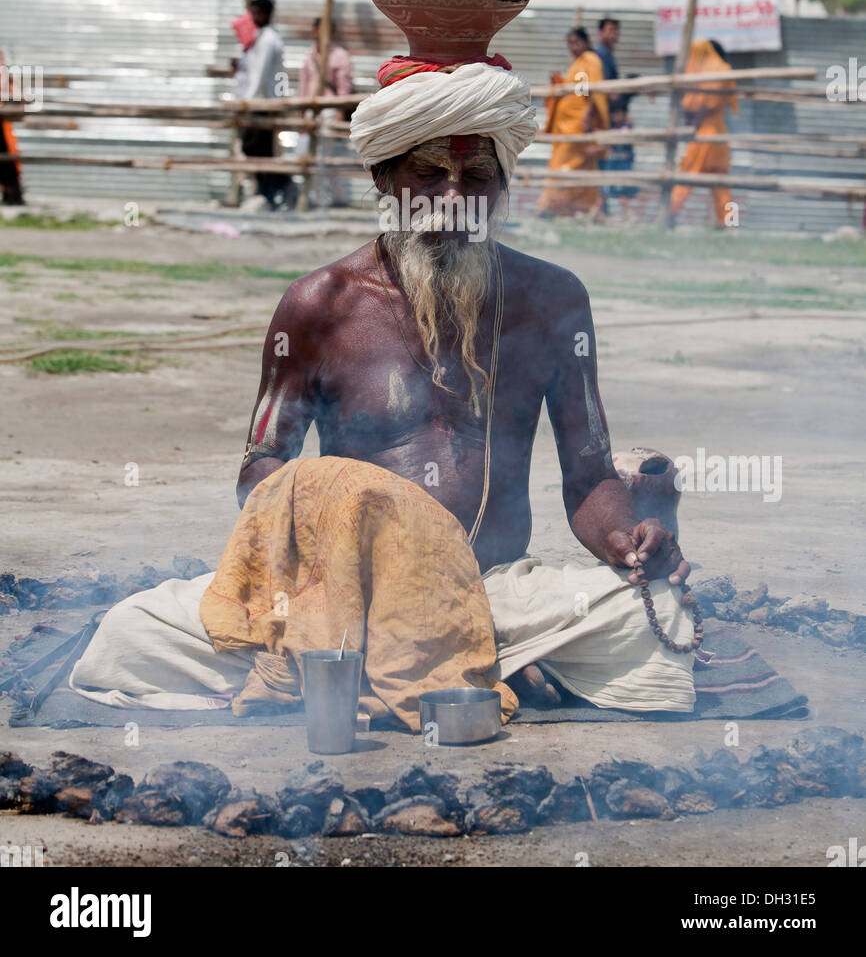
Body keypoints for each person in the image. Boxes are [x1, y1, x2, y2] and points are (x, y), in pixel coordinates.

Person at [69, 54, 694, 720]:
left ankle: (376, 676)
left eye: (477, 176)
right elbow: (261, 466)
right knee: (131, 635)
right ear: (383, 177)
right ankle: (473, 669)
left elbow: (590, 475)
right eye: (429, 174)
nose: (454, 197)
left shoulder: (554, 301)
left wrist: (628, 541)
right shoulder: (318, 305)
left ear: (503, 187)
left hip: (489, 591)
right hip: (336, 595)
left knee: (656, 619)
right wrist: (328, 515)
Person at [537, 35, 610, 218]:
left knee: (566, 166)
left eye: (577, 42)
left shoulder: (590, 60)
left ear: (586, 42)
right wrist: (559, 82)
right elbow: (576, 89)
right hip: (565, 126)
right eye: (570, 43)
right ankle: (580, 209)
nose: (573, 46)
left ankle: (550, 205)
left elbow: (592, 91)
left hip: (578, 126)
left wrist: (587, 116)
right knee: (575, 166)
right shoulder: (576, 64)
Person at [233, 0, 293, 212]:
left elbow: (259, 74)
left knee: (256, 146)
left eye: (257, 13)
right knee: (258, 148)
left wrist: (245, 102)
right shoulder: (261, 37)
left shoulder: (268, 40)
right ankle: (269, 189)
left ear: (266, 14)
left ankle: (280, 185)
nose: (254, 18)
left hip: (263, 102)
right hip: (261, 100)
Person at [670, 39, 738, 229]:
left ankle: (669, 214)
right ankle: (728, 223)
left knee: (686, 177)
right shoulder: (716, 70)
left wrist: (694, 119)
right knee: (721, 182)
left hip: (705, 135)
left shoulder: (714, 71)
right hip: (719, 137)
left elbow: (706, 104)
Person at [298, 18, 355, 207]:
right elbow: (304, 85)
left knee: (327, 156)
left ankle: (336, 198)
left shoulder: (340, 55)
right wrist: (302, 110)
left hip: (329, 110)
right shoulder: (310, 55)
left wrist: (340, 111)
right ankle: (313, 197)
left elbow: (344, 87)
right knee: (309, 155)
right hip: (311, 110)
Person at [603, 94, 639, 222]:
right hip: (613, 163)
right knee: (606, 189)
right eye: (615, 114)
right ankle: (602, 212)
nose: (617, 116)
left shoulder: (625, 128)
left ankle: (626, 214)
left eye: (620, 113)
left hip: (623, 165)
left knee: (624, 191)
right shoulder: (612, 127)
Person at [0, 48, 24, 206]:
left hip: (3, 125)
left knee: (5, 149)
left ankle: (11, 190)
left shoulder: (7, 78)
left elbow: (19, 99)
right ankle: (11, 190)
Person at [594, 16, 621, 82]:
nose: (613, 34)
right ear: (600, 32)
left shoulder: (609, 54)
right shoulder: (602, 54)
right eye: (611, 30)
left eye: (616, 30)